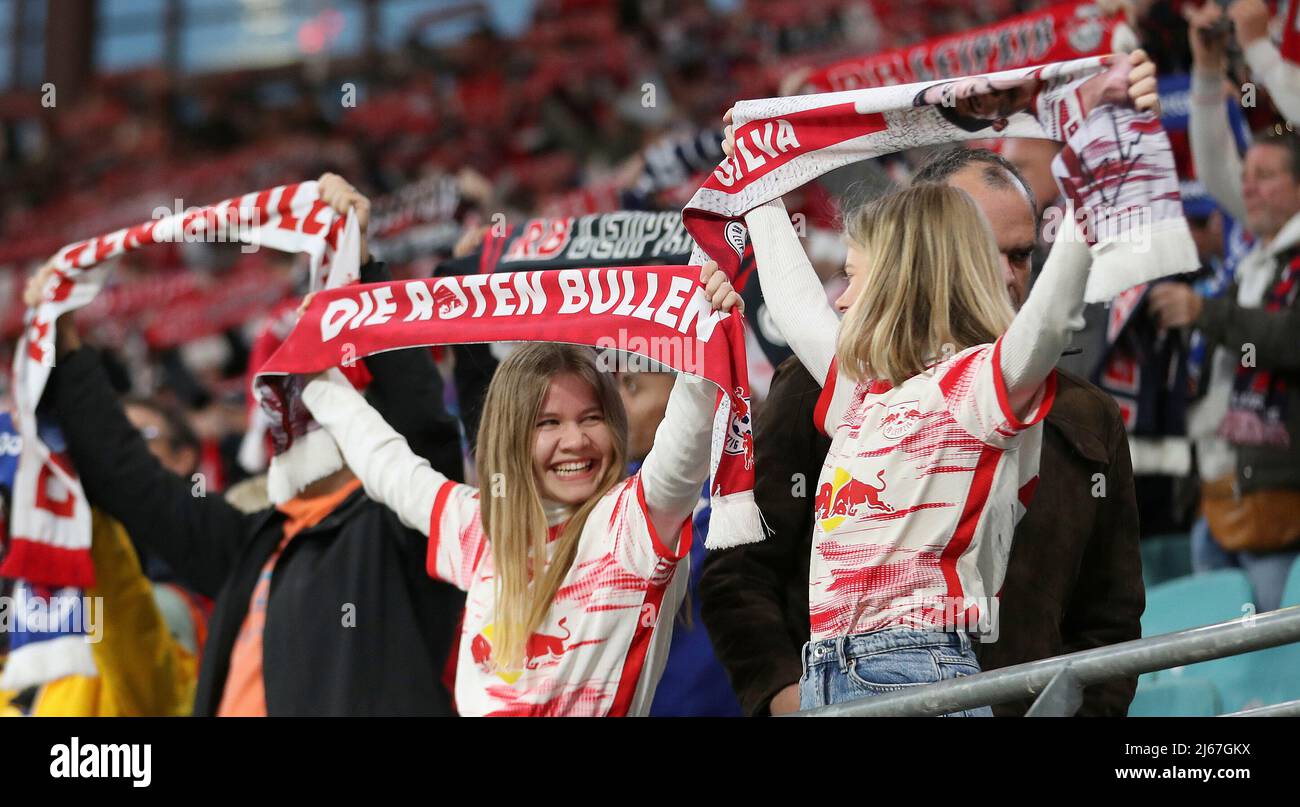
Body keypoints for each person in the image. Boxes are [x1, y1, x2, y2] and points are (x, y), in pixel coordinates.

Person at [701, 148, 1143, 717]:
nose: (841, 297)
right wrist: (757, 164)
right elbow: (792, 305)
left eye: (854, 277)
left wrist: (1093, 164)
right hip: (827, 674)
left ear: (902, 282)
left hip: (920, 672)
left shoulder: (978, 390)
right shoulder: (861, 394)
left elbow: (1052, 318)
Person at [27, 174, 468, 716]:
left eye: (315, 388)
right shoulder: (256, 541)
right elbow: (130, 481)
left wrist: (360, 263)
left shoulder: (402, 527)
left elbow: (423, 428)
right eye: (282, 389)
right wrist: (66, 341)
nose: (293, 403)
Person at [298, 265, 743, 716]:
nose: (575, 440)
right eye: (548, 423)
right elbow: (387, 465)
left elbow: (688, 429)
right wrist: (311, 370)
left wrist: (703, 318)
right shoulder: (481, 526)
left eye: (591, 418)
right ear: (510, 437)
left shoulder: (632, 524)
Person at [1162, 16, 1300, 609]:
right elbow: (1214, 161)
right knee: (1215, 654)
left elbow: (1289, 340)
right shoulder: (1260, 254)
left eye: (1266, 176)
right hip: (1224, 493)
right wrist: (1209, 69)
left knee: (1278, 658)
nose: (1249, 189)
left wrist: (1203, 312)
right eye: (1248, 178)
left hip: (1283, 496)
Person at [612, 362, 742, 716]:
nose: (616, 404)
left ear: (685, 388)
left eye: (632, 386)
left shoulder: (740, 486)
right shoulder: (610, 489)